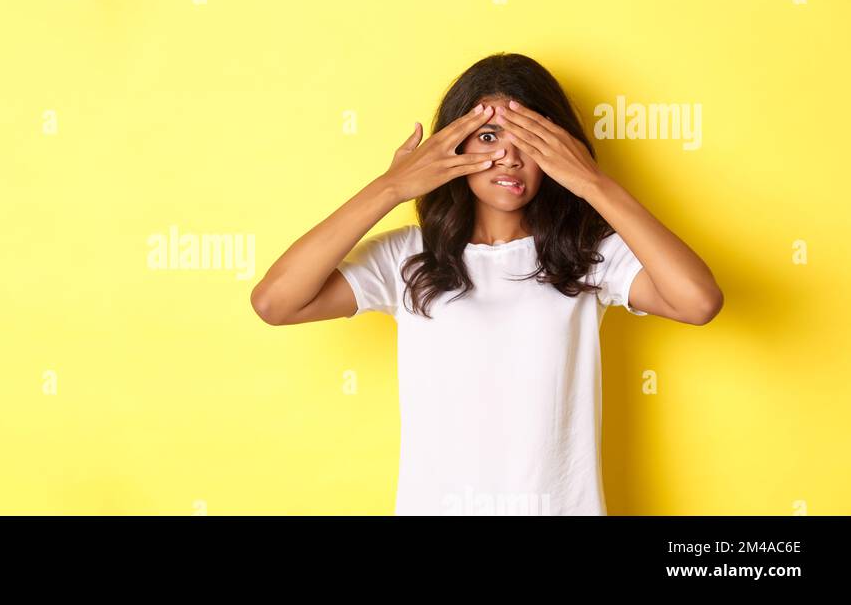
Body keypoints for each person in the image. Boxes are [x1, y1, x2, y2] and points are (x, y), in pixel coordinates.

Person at [249, 53, 724, 515]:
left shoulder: (583, 255)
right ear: (453, 147)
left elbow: (698, 301)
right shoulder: (408, 258)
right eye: (489, 136)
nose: (508, 157)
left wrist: (592, 182)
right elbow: (275, 301)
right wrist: (391, 187)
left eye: (530, 140)